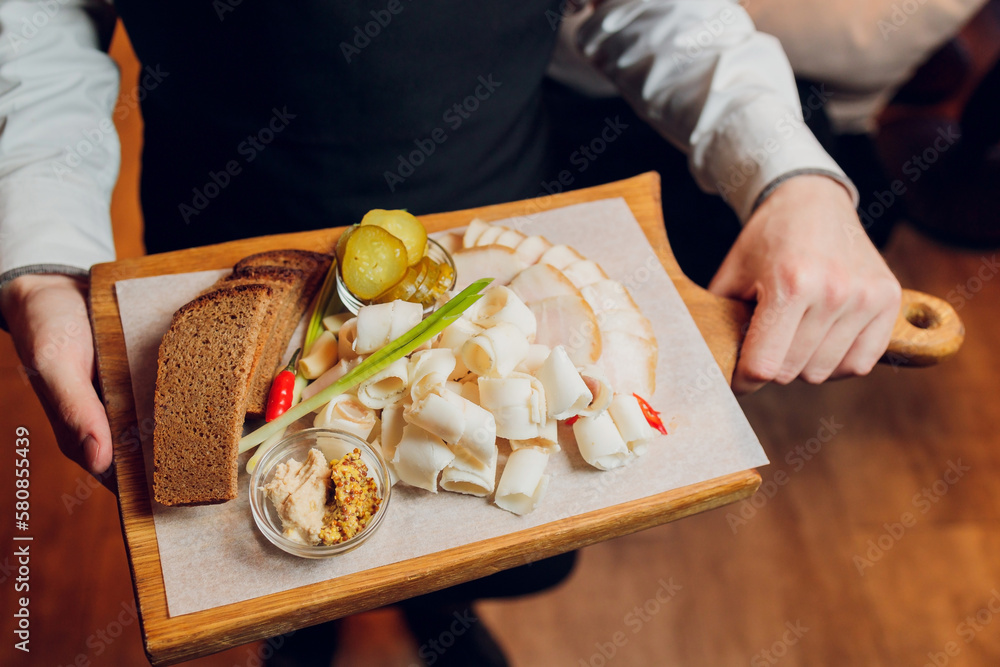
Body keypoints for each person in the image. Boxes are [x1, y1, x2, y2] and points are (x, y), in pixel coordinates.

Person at [0, 0, 902, 664]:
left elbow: (654, 12)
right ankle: (299, 640)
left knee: (480, 531)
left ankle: (443, 614)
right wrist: (41, 255)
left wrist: (790, 172)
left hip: (496, 231)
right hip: (222, 232)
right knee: (268, 551)